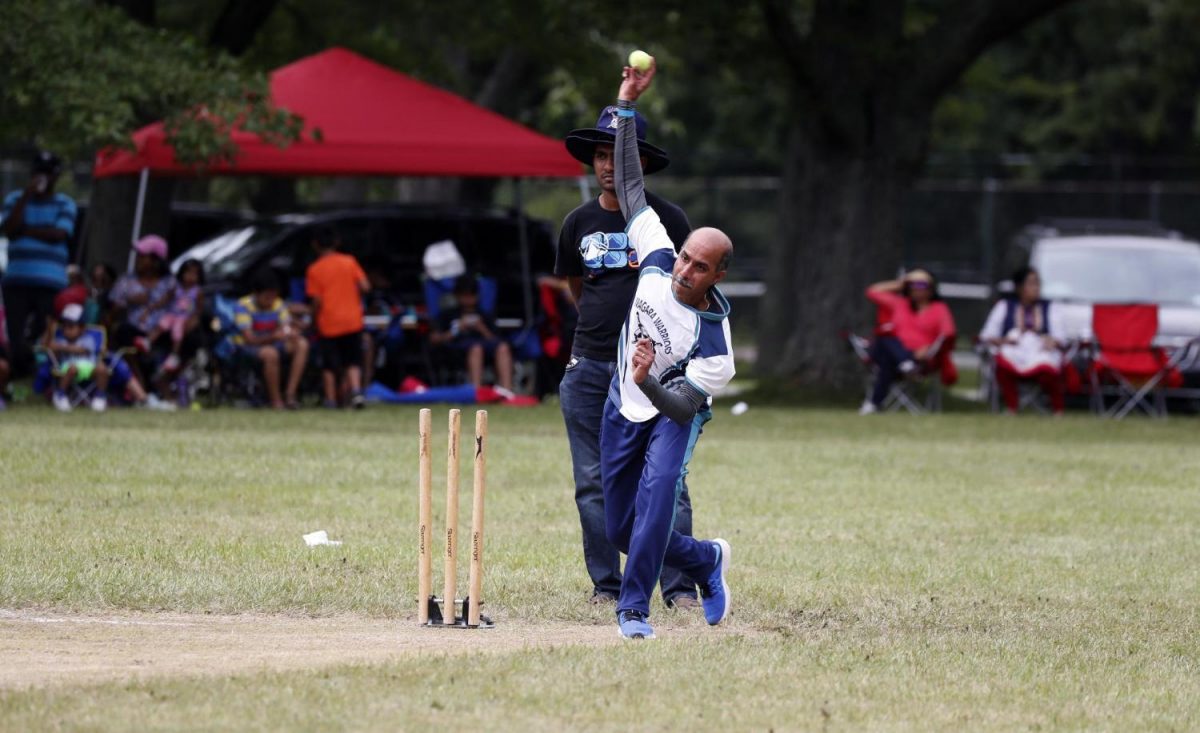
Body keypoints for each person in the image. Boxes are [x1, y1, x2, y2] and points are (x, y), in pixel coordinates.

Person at [600, 59, 734, 640]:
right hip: (623, 399)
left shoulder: (716, 344)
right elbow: (631, 187)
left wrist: (649, 376)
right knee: (622, 531)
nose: (683, 270)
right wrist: (626, 107)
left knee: (655, 508)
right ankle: (705, 559)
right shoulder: (656, 256)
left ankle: (633, 611)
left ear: (717, 275)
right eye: (684, 257)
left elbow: (681, 406)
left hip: (672, 413)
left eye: (699, 267)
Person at [557, 89, 700, 609]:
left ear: (638, 163)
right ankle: (606, 584)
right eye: (599, 154)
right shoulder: (578, 222)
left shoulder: (667, 220)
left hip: (654, 371)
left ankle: (679, 586)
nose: (607, 164)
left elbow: (689, 290)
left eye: (618, 154)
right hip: (591, 365)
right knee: (593, 482)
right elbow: (578, 289)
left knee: (666, 481)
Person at [1, 151, 78, 377]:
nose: (42, 178)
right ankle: (15, 378)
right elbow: (9, 230)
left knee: (43, 331)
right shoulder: (15, 199)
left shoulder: (66, 203)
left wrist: (25, 230)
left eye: (47, 173)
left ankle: (39, 375)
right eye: (38, 173)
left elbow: (59, 234)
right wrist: (27, 195)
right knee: (15, 334)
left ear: (55, 176)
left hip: (51, 281)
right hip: (16, 279)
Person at [859, 269, 957, 415]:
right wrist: (900, 284)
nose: (916, 290)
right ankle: (905, 362)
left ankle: (874, 403)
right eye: (913, 286)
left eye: (922, 285)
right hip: (899, 353)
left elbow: (948, 333)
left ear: (931, 289)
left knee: (887, 360)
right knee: (886, 337)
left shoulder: (939, 309)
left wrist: (930, 349)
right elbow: (872, 291)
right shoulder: (900, 304)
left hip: (920, 359)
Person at [980, 266, 1066, 415]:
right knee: (1002, 361)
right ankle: (1012, 407)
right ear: (1019, 287)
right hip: (1015, 349)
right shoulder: (1005, 306)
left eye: (1038, 283)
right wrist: (1003, 341)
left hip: (1040, 351)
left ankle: (1057, 409)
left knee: (1049, 365)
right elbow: (987, 335)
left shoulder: (1050, 307)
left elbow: (1061, 337)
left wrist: (1052, 341)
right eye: (1031, 284)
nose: (1036, 288)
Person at [305, 228, 368, 409]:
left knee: (329, 364)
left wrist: (312, 317)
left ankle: (331, 399)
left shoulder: (314, 269)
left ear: (315, 245)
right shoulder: (349, 262)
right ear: (337, 242)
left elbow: (316, 300)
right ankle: (356, 392)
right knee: (353, 360)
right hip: (352, 320)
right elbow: (365, 286)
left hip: (329, 322)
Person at [235, 270, 309, 409]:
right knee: (270, 354)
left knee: (301, 344)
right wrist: (273, 337)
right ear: (256, 294)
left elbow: (285, 326)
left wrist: (291, 333)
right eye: (267, 297)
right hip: (250, 346)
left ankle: (290, 394)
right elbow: (249, 338)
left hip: (273, 343)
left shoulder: (278, 304)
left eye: (273, 297)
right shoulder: (243, 306)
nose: (270, 301)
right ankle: (276, 400)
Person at [430, 275, 513, 392]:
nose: (468, 299)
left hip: (485, 348)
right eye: (465, 296)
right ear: (457, 296)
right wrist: (456, 330)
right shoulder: (448, 314)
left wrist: (481, 328)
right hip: (456, 349)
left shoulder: (484, 314)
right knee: (476, 349)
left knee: (503, 347)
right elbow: (434, 339)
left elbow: (494, 338)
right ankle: (476, 391)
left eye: (472, 295)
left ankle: (507, 391)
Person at [148, 259, 205, 374]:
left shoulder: (197, 292)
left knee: (177, 333)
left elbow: (199, 310)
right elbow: (165, 299)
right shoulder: (176, 288)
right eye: (188, 272)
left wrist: (193, 319)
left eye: (194, 274)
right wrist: (153, 307)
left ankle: (174, 355)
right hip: (171, 315)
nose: (190, 277)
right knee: (161, 325)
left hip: (183, 319)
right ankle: (147, 341)